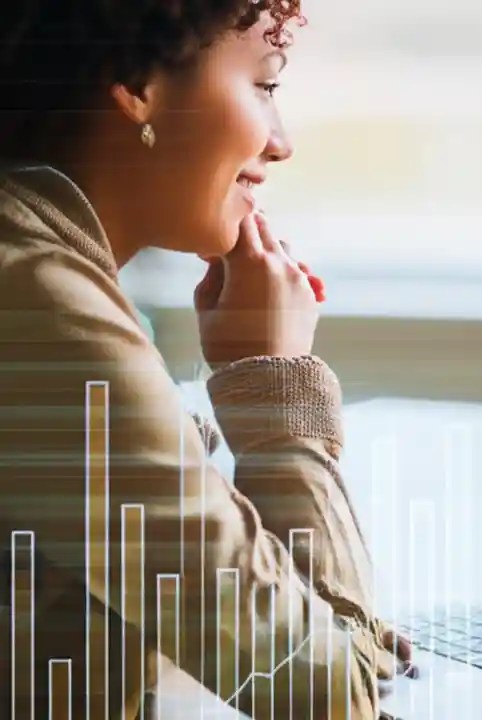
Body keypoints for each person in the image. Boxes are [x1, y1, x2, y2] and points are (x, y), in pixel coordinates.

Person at [0, 0, 412, 717]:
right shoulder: (45, 312)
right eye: (265, 85)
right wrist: (277, 400)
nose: (280, 144)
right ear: (137, 83)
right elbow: (331, 697)